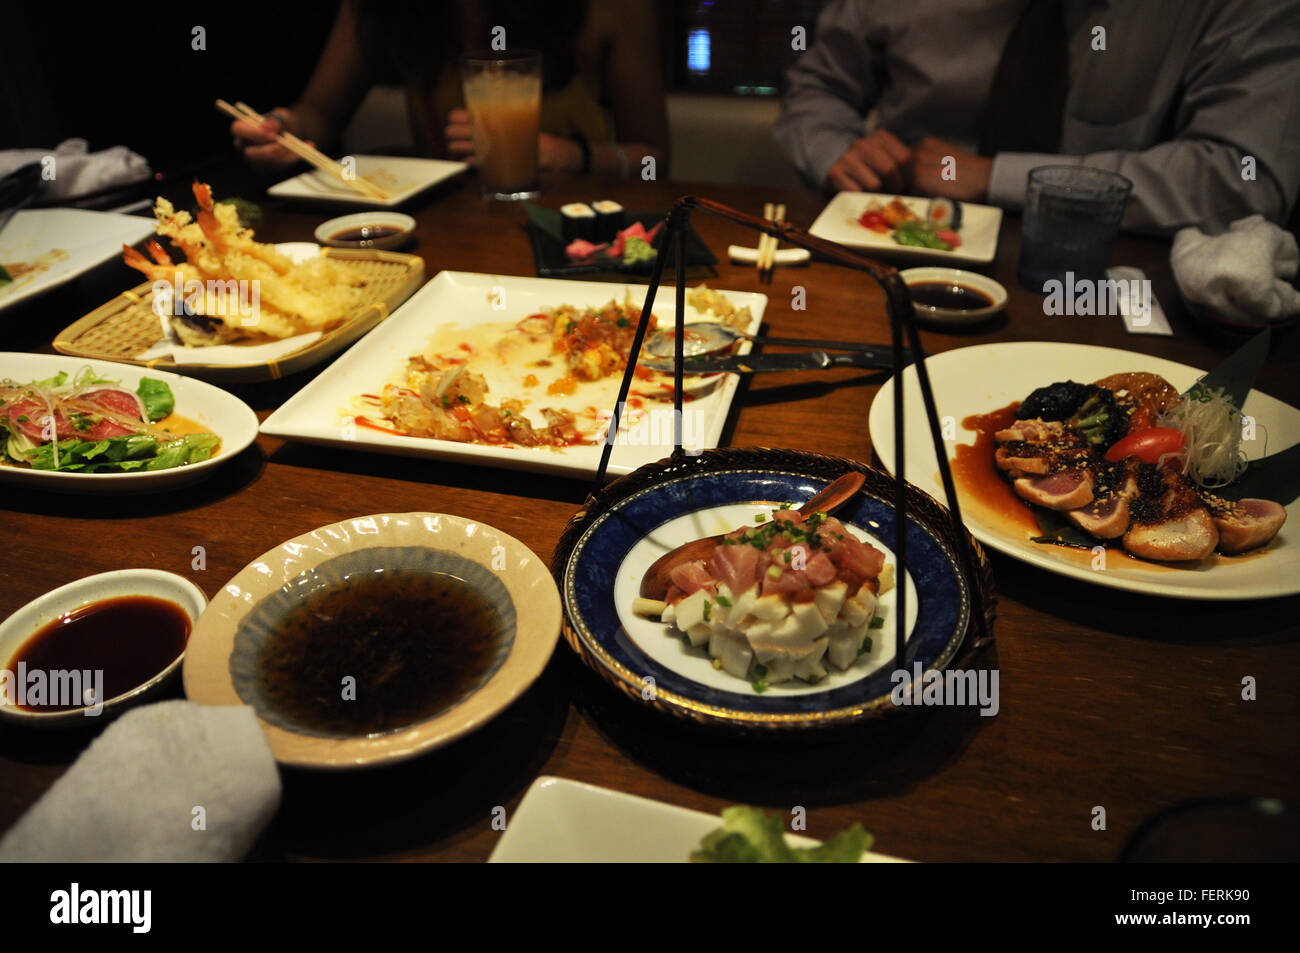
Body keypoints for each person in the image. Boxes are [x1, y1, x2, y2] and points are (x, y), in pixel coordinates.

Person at [773, 0, 1300, 234]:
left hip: (1112, 274)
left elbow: (1242, 174)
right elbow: (818, 87)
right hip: (903, 234)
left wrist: (997, 177)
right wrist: (837, 153)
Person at [231, 0, 669, 179]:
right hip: (439, 231)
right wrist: (283, 127)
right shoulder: (384, 7)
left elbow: (654, 159)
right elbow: (320, 114)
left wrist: (569, 154)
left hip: (570, 239)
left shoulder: (612, 8)